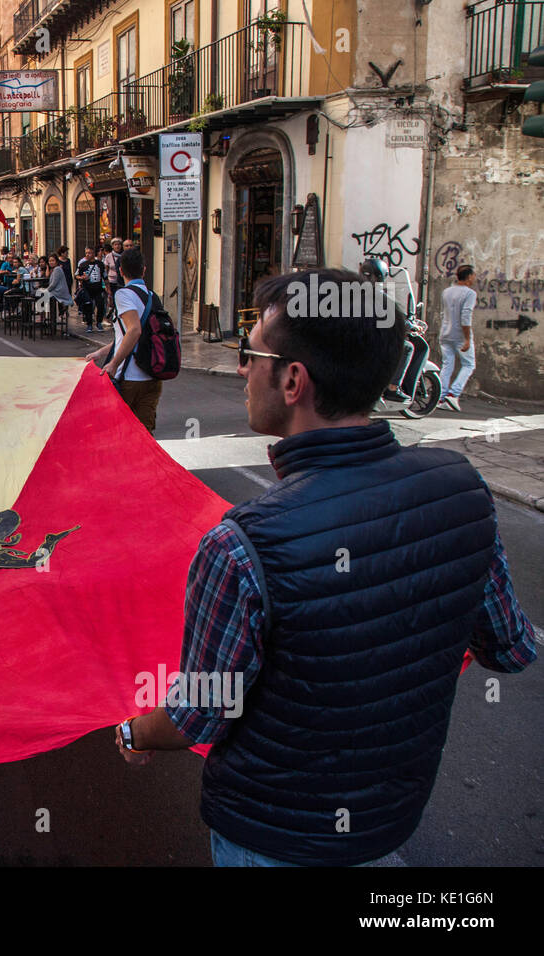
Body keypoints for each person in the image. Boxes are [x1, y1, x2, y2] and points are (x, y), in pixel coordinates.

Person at [111, 268, 537, 867]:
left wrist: (132, 731)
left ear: (292, 380)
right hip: (388, 821)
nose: (240, 369)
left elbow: (197, 715)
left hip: (270, 834)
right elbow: (512, 649)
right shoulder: (465, 491)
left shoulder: (242, 545)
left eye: (248, 351)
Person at [84, 248, 163, 432]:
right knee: (145, 435)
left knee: (119, 433)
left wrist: (113, 363)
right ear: (144, 270)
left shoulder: (123, 295)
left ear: (120, 271)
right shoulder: (152, 296)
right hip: (152, 376)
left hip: (130, 377)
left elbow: (134, 330)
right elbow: (127, 335)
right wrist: (101, 352)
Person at [439, 265, 477, 412]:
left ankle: (441, 397)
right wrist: (467, 339)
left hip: (445, 332)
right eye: (473, 275)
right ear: (468, 277)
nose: (474, 278)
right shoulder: (470, 294)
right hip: (460, 334)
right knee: (469, 364)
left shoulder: (446, 292)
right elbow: (466, 316)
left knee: (447, 365)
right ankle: (453, 394)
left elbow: (444, 313)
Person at [76, 246, 106, 333]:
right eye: (86, 253)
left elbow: (105, 276)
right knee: (88, 306)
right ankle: (89, 324)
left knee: (100, 305)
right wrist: (82, 278)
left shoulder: (100, 264)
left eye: (90, 253)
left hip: (98, 288)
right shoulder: (82, 265)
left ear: (93, 253)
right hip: (87, 288)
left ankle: (99, 322)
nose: (88, 255)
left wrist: (108, 289)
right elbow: (76, 275)